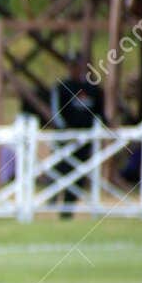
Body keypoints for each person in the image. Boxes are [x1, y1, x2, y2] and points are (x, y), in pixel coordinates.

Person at [45, 53, 104, 219]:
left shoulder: (94, 89)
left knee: (79, 174)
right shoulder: (62, 87)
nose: (75, 69)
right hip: (66, 139)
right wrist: (66, 132)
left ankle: (67, 211)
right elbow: (56, 114)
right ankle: (52, 201)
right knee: (60, 169)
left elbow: (100, 113)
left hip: (85, 140)